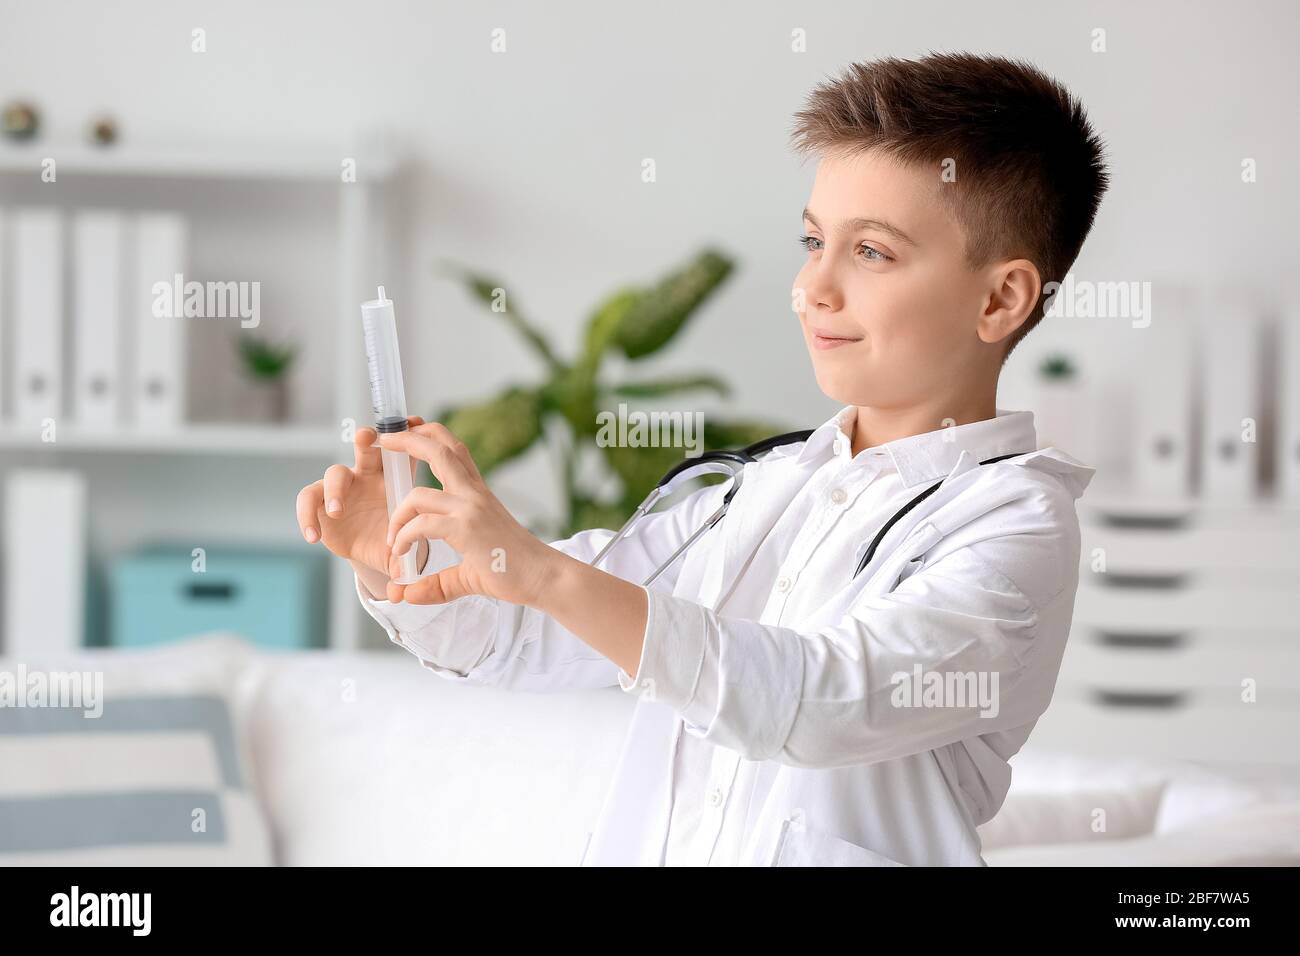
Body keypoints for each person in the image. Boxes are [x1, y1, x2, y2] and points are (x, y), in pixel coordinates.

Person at [295, 52, 1107, 866]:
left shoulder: (1014, 524)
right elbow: (523, 633)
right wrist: (403, 555)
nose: (812, 287)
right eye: (814, 240)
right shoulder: (761, 490)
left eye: (871, 253)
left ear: (1000, 299)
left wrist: (543, 571)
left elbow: (822, 699)